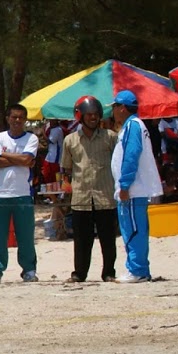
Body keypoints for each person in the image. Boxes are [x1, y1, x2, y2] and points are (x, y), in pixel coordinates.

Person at [60, 96, 119, 283]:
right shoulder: (70, 141)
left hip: (105, 195)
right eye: (88, 115)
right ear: (80, 116)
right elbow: (67, 168)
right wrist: (67, 187)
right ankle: (79, 273)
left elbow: (117, 164)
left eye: (95, 115)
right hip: (81, 197)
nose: (93, 118)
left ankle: (109, 272)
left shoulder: (111, 137)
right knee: (81, 240)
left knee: (108, 239)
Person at [111, 89, 161, 283]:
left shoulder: (133, 126)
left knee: (133, 229)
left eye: (115, 107)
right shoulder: (135, 126)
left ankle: (137, 270)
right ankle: (138, 268)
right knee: (134, 227)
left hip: (132, 189)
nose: (113, 111)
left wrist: (124, 185)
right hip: (133, 188)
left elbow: (131, 156)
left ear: (122, 108)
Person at [0, 103, 38, 283]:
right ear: (8, 119)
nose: (17, 120)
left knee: (25, 235)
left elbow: (27, 159)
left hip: (22, 193)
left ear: (25, 120)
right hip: (0, 193)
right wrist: (21, 160)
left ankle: (29, 269)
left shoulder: (31, 138)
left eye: (20, 117)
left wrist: (6, 155)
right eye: (14, 117)